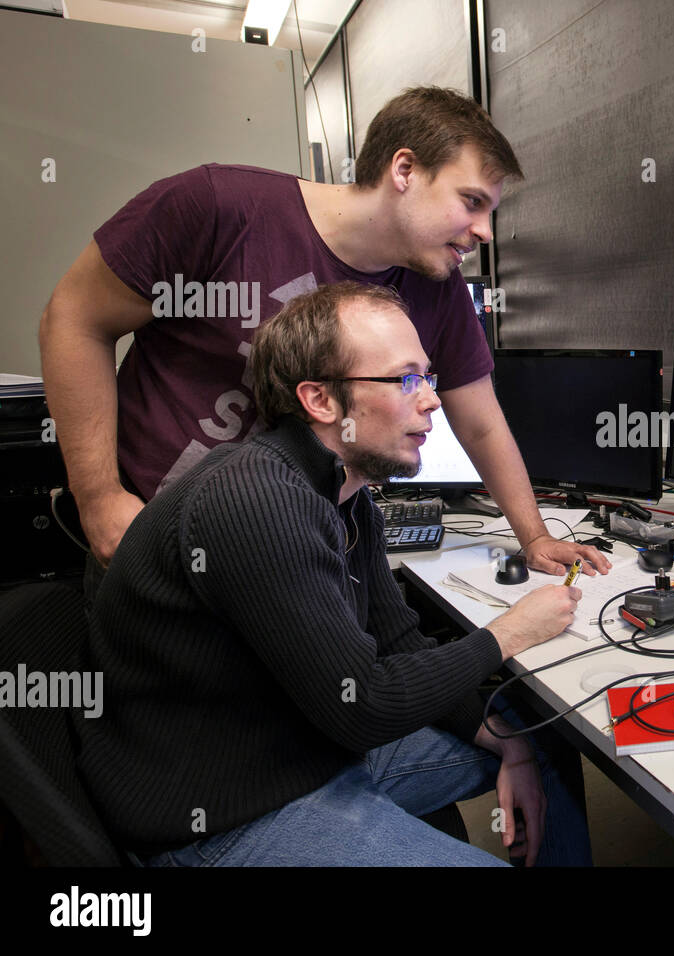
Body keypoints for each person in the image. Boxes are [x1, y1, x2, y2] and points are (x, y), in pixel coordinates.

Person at [75, 281, 592, 866]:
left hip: (308, 748)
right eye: (404, 380)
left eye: (428, 376)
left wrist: (510, 745)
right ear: (321, 401)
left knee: (541, 735)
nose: (433, 400)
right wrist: (511, 632)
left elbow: (396, 643)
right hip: (223, 815)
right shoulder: (254, 500)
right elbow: (363, 704)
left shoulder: (343, 493)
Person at [38, 85, 609, 580]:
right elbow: (74, 320)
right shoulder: (216, 206)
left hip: (296, 553)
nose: (485, 232)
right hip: (155, 540)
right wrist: (100, 500)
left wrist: (533, 536)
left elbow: (479, 422)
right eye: (472, 202)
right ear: (404, 170)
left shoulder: (435, 282)